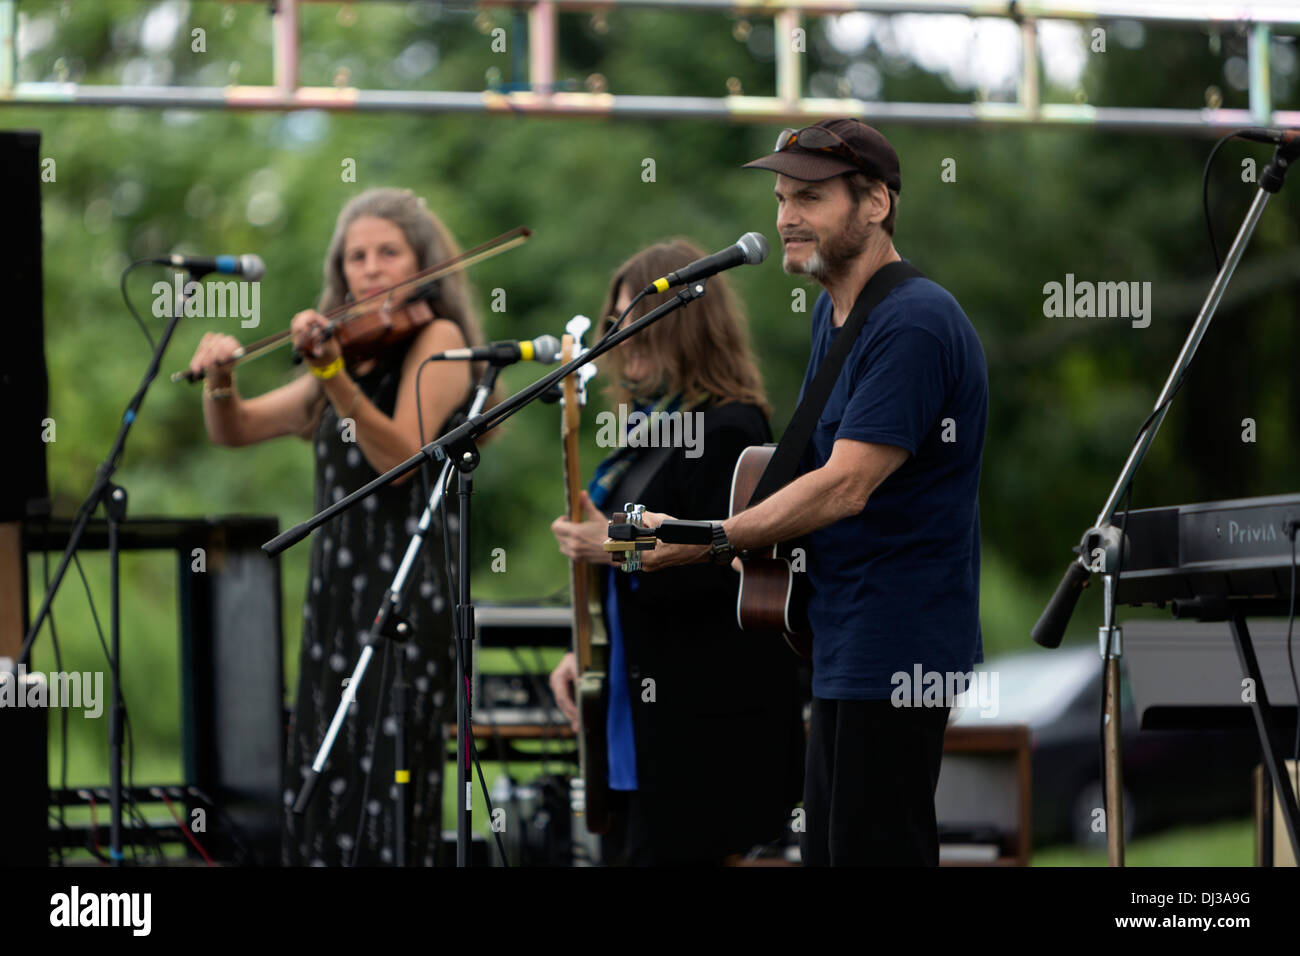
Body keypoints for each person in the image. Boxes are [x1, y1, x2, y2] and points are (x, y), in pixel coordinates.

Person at [636, 120, 988, 866]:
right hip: (844, 634)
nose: (785, 217)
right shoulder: (842, 318)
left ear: (875, 204)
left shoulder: (914, 321)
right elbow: (808, 466)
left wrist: (712, 536)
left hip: (898, 643)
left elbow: (847, 484)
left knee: (875, 851)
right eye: (780, 197)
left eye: (810, 197)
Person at [186, 187, 491, 866]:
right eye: (357, 256)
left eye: (388, 252)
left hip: (405, 590)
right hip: (337, 594)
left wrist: (333, 376)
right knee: (327, 775)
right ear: (341, 270)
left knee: (384, 779)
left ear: (421, 261)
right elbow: (236, 430)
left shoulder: (440, 340)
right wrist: (221, 382)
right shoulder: (345, 352)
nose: (372, 267)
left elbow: (403, 456)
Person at [548, 239, 804, 866]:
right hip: (640, 711)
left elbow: (729, 565)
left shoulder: (731, 427)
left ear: (685, 321)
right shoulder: (651, 431)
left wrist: (612, 546)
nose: (619, 335)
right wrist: (585, 651)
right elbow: (637, 568)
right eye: (613, 319)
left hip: (703, 721)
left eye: (634, 317)